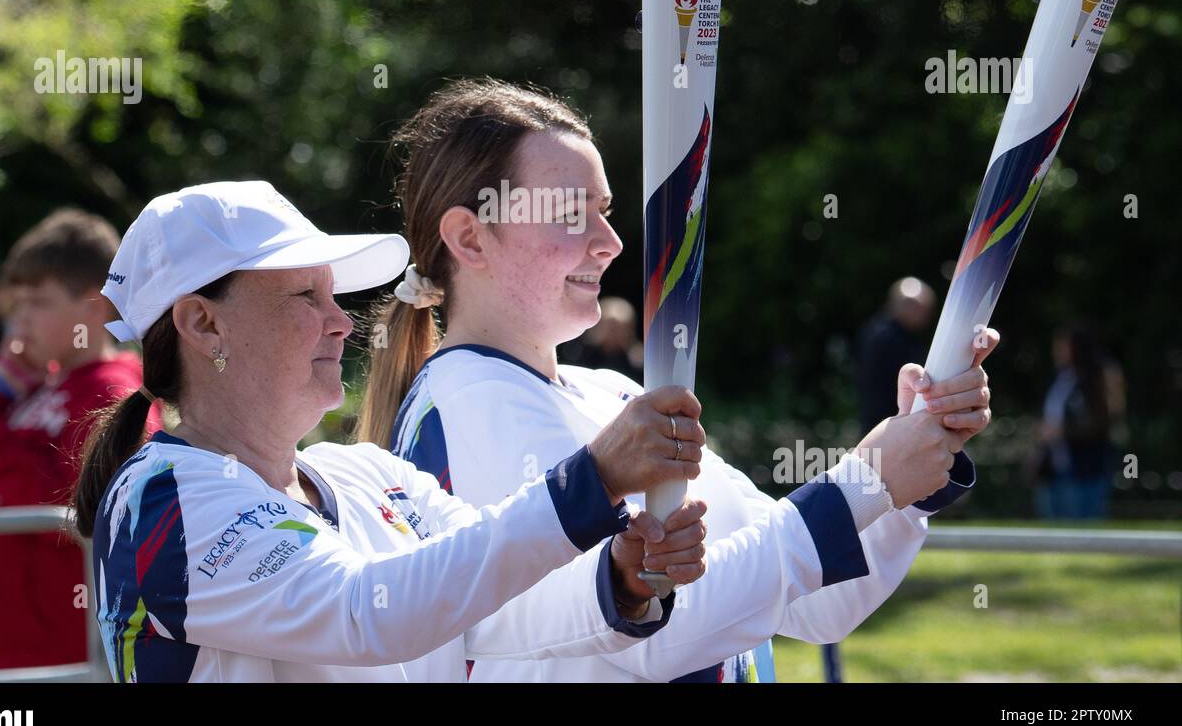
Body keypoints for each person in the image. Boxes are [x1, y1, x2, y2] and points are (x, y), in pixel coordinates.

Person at [359, 78, 1001, 683]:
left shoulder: (614, 394)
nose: (609, 242)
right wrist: (867, 480)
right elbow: (646, 629)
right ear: (470, 237)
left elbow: (816, 604)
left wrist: (911, 469)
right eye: (570, 213)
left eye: (604, 211)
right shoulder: (464, 401)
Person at [73, 180, 710, 683]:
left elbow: (493, 607)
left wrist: (621, 581)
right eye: (304, 296)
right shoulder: (159, 498)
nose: (340, 323)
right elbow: (366, 612)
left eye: (333, 297)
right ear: (203, 325)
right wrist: (592, 478)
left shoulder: (366, 472)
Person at [0, 208, 159, 672]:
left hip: (47, 662)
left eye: (38, 304)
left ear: (93, 307)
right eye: (16, 304)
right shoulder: (22, 390)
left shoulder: (113, 393)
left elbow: (82, 514)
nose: (19, 321)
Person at [1030, 323, 1124, 519]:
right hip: (1054, 467)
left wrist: (1063, 431)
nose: (1056, 351)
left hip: (1086, 467)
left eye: (1062, 345)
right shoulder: (1061, 378)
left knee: (1085, 531)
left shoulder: (1102, 374)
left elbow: (1107, 419)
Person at [856, 278, 937, 433]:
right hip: (886, 427)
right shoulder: (886, 338)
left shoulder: (904, 336)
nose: (926, 314)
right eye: (917, 307)